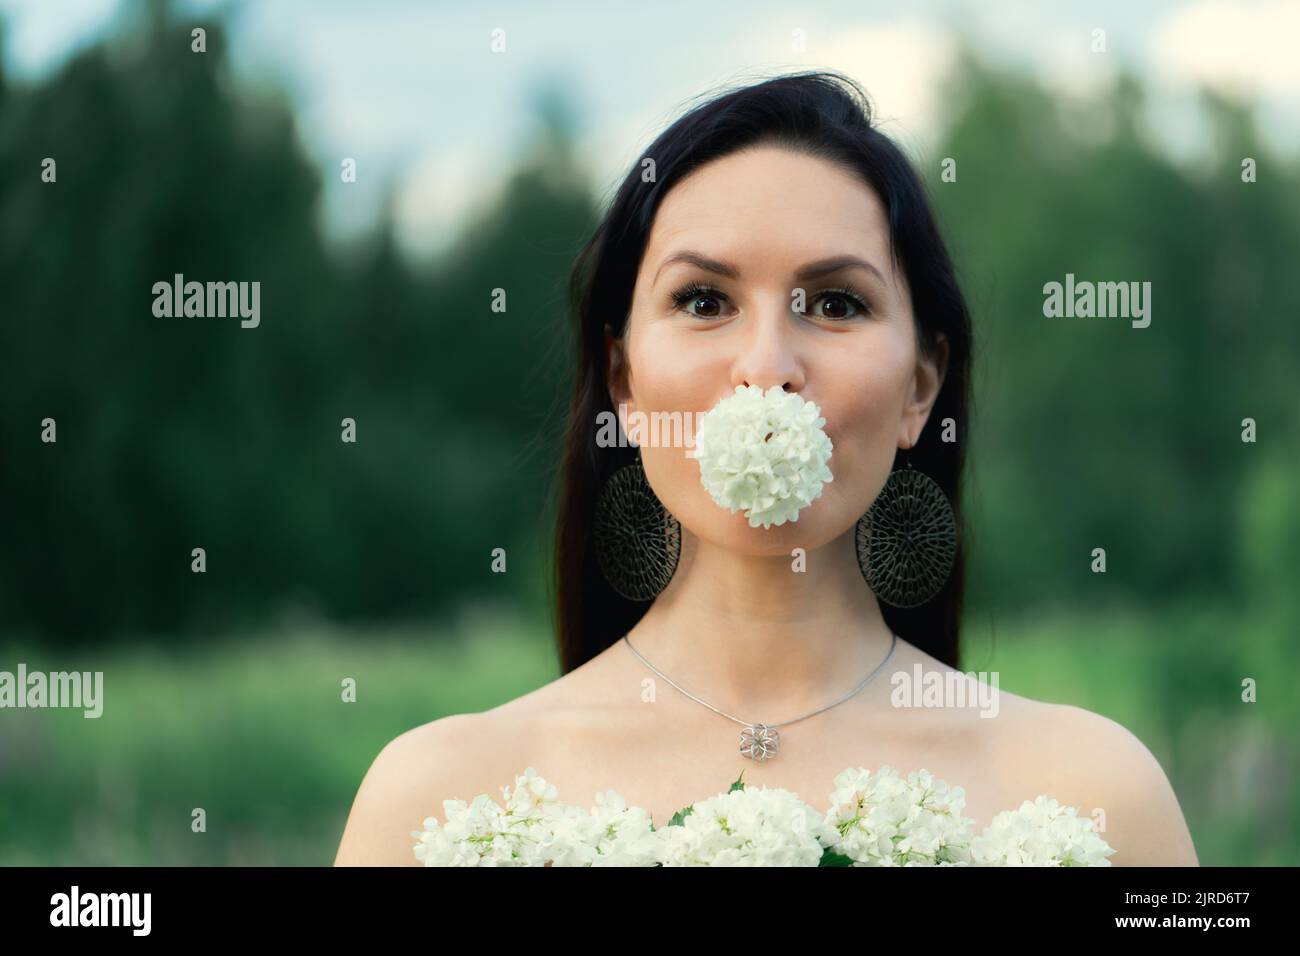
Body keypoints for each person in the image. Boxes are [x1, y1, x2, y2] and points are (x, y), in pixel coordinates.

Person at [334, 70, 1198, 866]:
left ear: (919, 390)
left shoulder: (1098, 802)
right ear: (626, 381)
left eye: (835, 303)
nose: (767, 364)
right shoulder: (434, 805)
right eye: (704, 301)